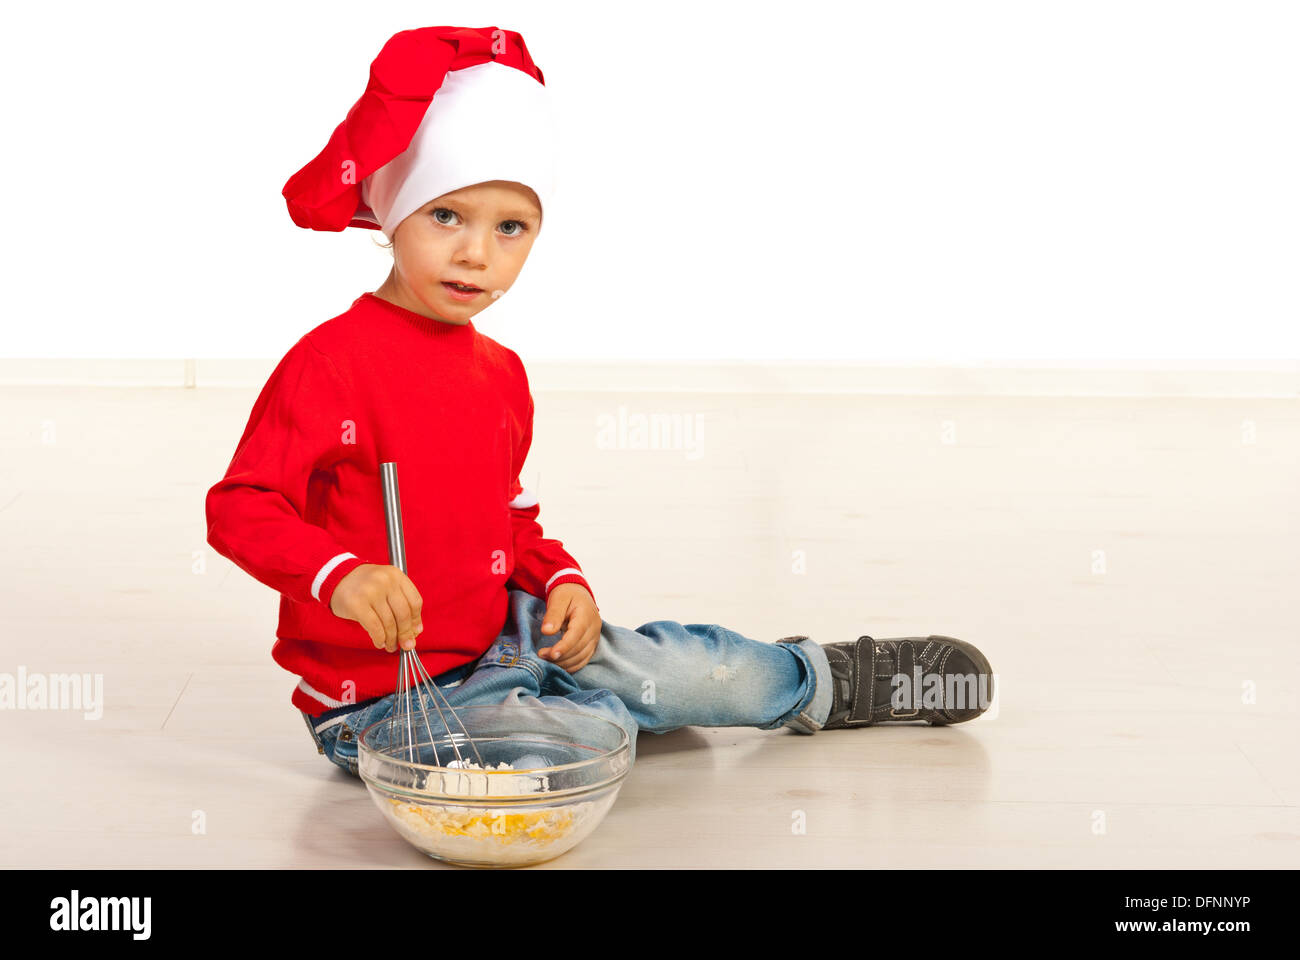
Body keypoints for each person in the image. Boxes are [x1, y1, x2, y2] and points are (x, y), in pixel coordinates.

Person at [205, 25, 995, 778]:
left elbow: (510, 520)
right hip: (388, 698)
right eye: (445, 215)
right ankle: (572, 711)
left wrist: (561, 581)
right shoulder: (328, 365)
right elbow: (240, 506)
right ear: (391, 212)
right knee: (579, 743)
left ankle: (817, 678)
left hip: (512, 637)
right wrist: (337, 574)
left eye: (510, 227)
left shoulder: (500, 372)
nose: (476, 252)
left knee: (694, 673)